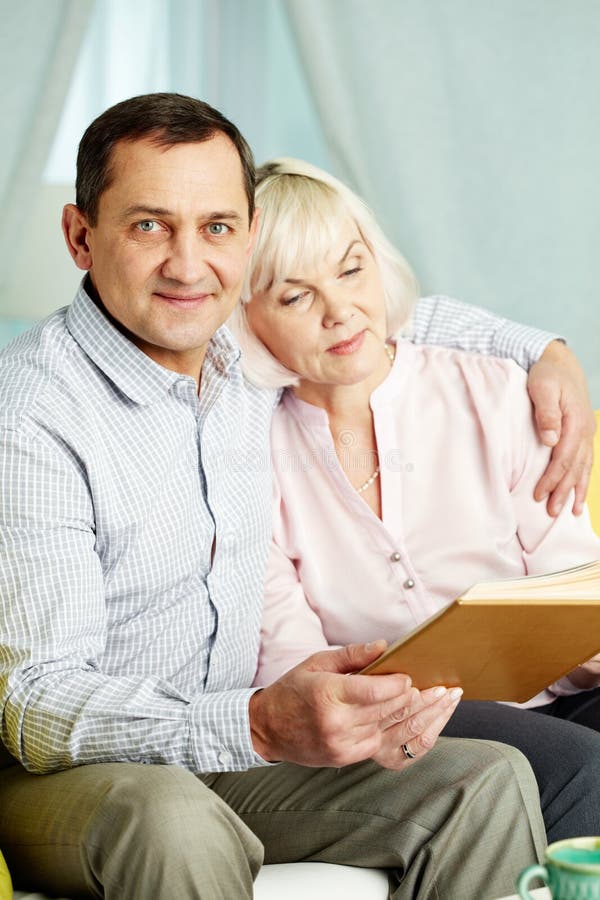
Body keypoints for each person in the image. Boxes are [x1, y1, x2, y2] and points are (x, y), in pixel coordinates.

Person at [0, 93, 591, 900]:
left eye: (216, 227)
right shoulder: (32, 415)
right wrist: (254, 722)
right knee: (173, 818)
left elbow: (388, 321)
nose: (186, 263)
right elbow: (33, 703)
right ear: (80, 236)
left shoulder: (244, 363)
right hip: (78, 774)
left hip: (237, 752)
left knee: (481, 782)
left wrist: (545, 352)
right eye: (148, 226)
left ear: (246, 237)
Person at [233, 156, 600, 845]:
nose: (341, 311)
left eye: (351, 270)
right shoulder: (249, 453)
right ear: (246, 317)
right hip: (406, 718)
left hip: (559, 690)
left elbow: (572, 576)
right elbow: (290, 656)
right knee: (586, 770)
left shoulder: (490, 389)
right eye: (294, 297)